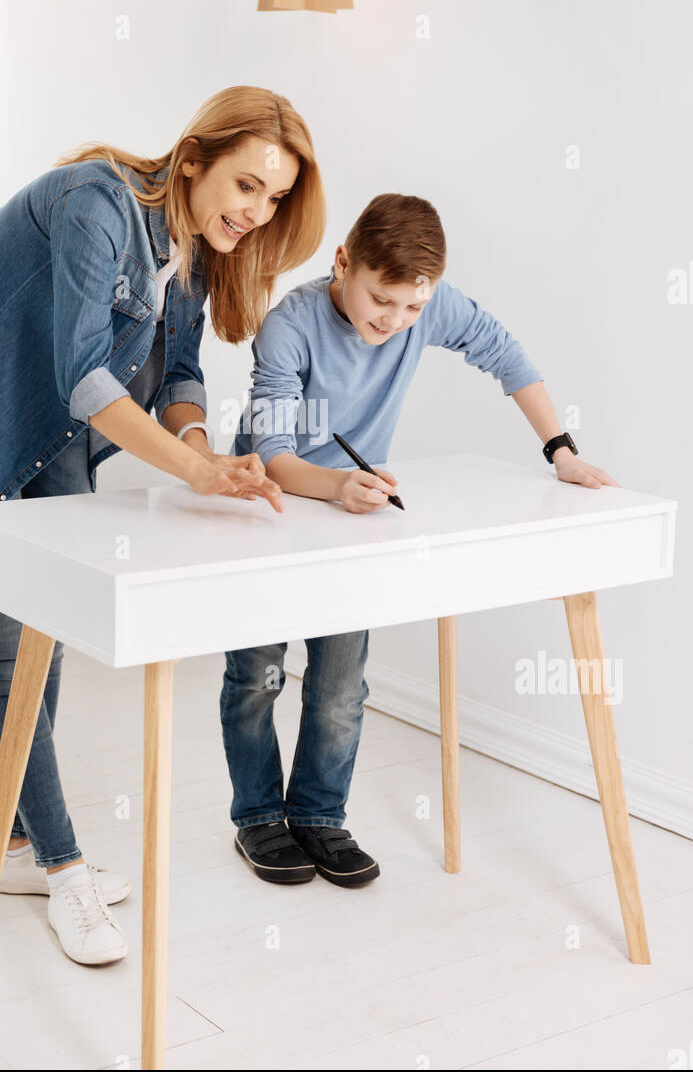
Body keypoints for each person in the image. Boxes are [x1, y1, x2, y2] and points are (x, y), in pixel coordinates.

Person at [0, 86, 325, 964]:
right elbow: (87, 376)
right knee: (5, 643)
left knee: (44, 637)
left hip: (50, 432)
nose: (256, 211)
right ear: (193, 157)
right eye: (246, 185)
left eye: (273, 198)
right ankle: (63, 870)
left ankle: (22, 848)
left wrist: (208, 452)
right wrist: (197, 471)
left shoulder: (197, 245)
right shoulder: (96, 201)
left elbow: (179, 370)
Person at [222, 192, 618, 888]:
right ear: (343, 263)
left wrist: (558, 448)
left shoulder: (425, 306)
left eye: (412, 308)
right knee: (255, 675)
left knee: (341, 684)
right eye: (382, 300)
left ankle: (319, 817)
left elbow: (508, 356)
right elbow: (274, 453)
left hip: (352, 514)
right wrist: (337, 486)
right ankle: (258, 817)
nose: (397, 321)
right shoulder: (289, 325)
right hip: (269, 506)